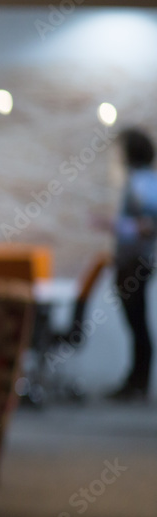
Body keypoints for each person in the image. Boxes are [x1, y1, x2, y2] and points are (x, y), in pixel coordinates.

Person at [106, 128, 157, 400]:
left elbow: (149, 224)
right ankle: (136, 380)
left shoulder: (140, 182)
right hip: (137, 262)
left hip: (135, 263)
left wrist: (117, 226)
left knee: (137, 324)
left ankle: (138, 382)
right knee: (137, 324)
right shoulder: (144, 180)